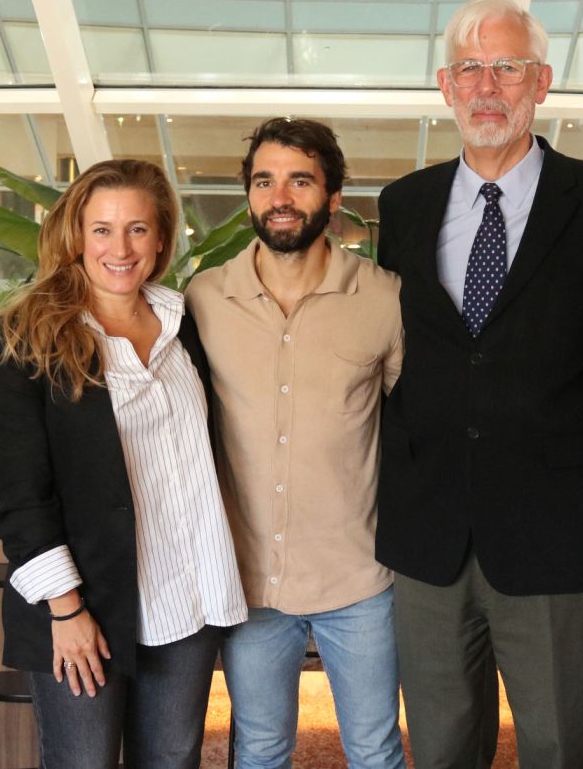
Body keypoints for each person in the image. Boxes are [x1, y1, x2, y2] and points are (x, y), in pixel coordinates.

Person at [373, 0, 583, 767]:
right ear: (445, 84)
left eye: (508, 67)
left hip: (555, 537)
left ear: (542, 81)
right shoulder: (405, 205)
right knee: (443, 747)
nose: (488, 86)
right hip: (429, 538)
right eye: (470, 68)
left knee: (559, 746)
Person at [0, 159, 247, 768]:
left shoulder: (188, 325)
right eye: (101, 229)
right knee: (85, 762)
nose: (119, 248)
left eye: (136, 229)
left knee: (173, 759)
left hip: (188, 597)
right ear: (75, 235)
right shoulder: (23, 337)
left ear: (161, 238)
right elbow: (22, 497)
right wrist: (66, 609)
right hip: (85, 603)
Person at [186, 117, 407, 769]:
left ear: (333, 197)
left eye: (300, 180)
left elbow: (418, 421)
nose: (280, 195)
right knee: (258, 748)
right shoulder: (204, 298)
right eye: (265, 180)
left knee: (375, 748)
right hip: (249, 582)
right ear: (249, 194)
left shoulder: (385, 298)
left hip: (359, 578)